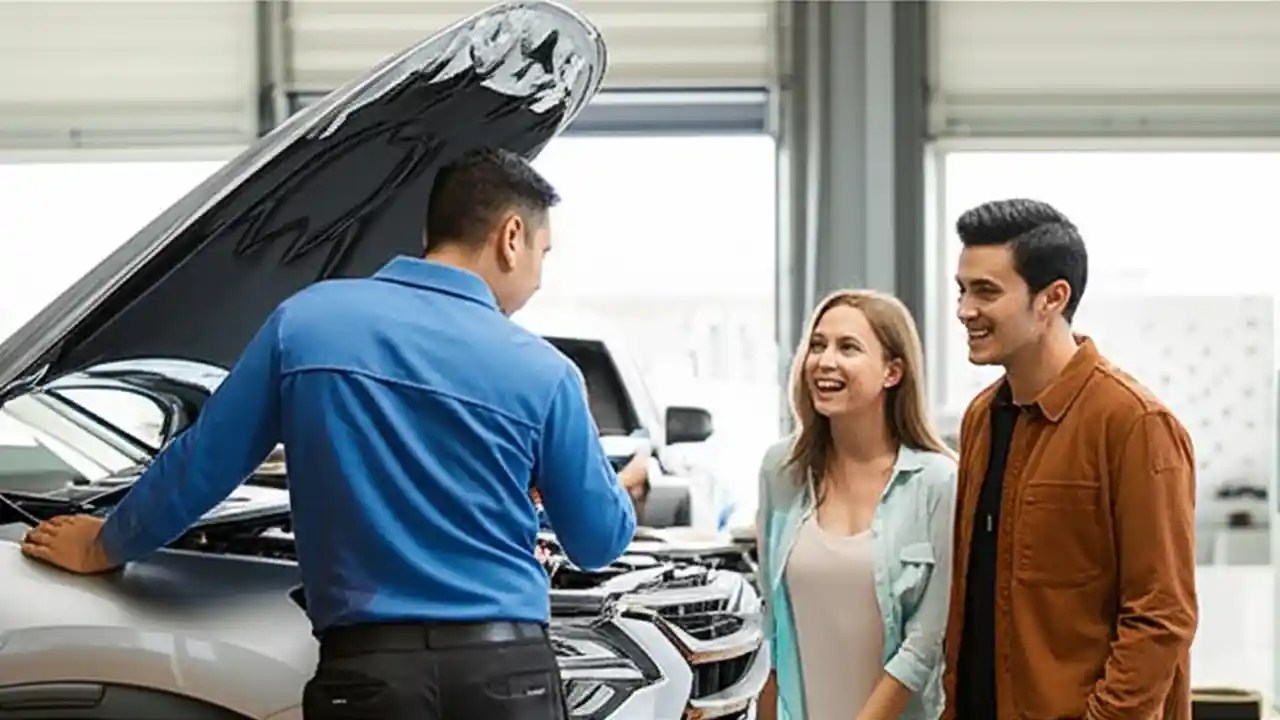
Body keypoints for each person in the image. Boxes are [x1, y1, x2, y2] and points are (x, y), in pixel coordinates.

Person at [19, 147, 638, 720]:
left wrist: (105, 545)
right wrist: (613, 487)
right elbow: (597, 542)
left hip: (368, 677)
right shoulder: (545, 373)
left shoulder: (307, 324)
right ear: (511, 237)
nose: (537, 278)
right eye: (542, 254)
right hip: (509, 679)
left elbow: (202, 466)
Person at [943, 198, 1198, 719]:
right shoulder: (981, 419)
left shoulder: (1134, 424)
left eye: (986, 291)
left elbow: (1161, 616)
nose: (965, 310)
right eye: (962, 290)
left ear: (1052, 298)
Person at [756, 289, 957, 720]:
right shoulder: (782, 470)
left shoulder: (938, 482)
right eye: (817, 344)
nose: (824, 361)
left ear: (892, 372)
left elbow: (924, 642)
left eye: (848, 347)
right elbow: (772, 629)